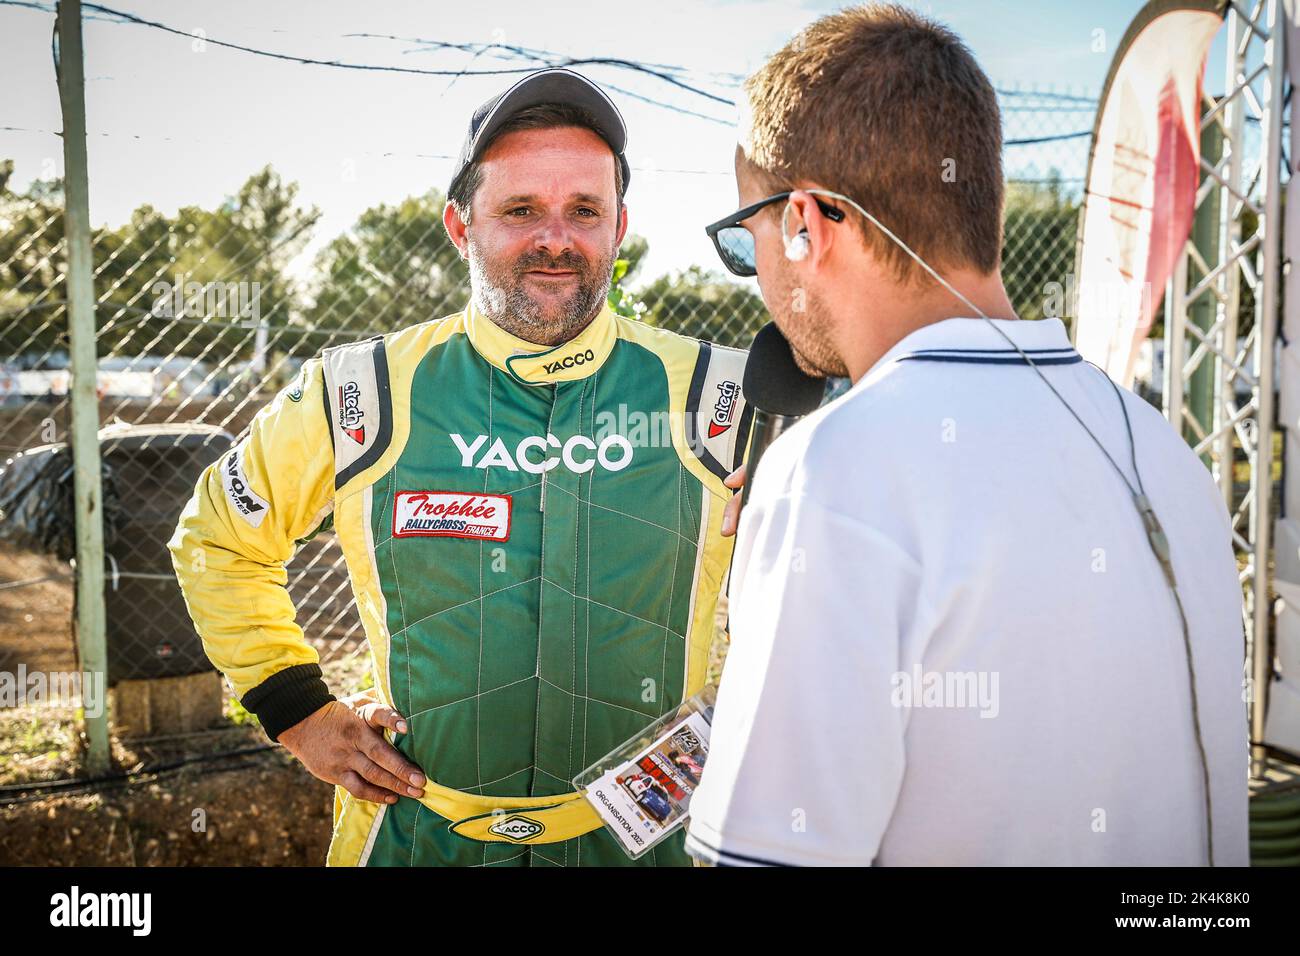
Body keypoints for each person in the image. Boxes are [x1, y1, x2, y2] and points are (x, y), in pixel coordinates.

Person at [685, 4, 1248, 866]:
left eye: (746, 237)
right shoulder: (1165, 455)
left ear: (804, 222)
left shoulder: (834, 473)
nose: (752, 273)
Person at [169, 68, 750, 867]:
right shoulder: (358, 390)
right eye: (520, 210)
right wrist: (297, 710)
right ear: (459, 225)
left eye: (585, 209)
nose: (556, 237)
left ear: (619, 228)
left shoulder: (724, 396)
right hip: (414, 838)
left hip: (651, 843)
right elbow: (217, 540)